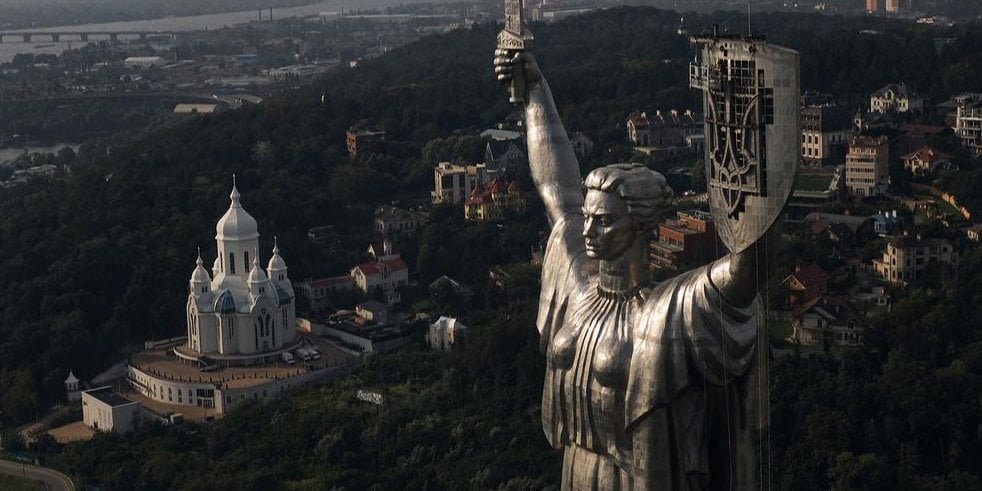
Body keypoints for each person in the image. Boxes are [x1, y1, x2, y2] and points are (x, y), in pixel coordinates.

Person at [494, 49, 767, 490]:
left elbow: (745, 273)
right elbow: (554, 184)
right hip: (574, 472)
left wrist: (746, 148)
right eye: (588, 217)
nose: (588, 229)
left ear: (640, 225)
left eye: (604, 220)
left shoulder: (667, 313)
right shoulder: (577, 279)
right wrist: (534, 86)